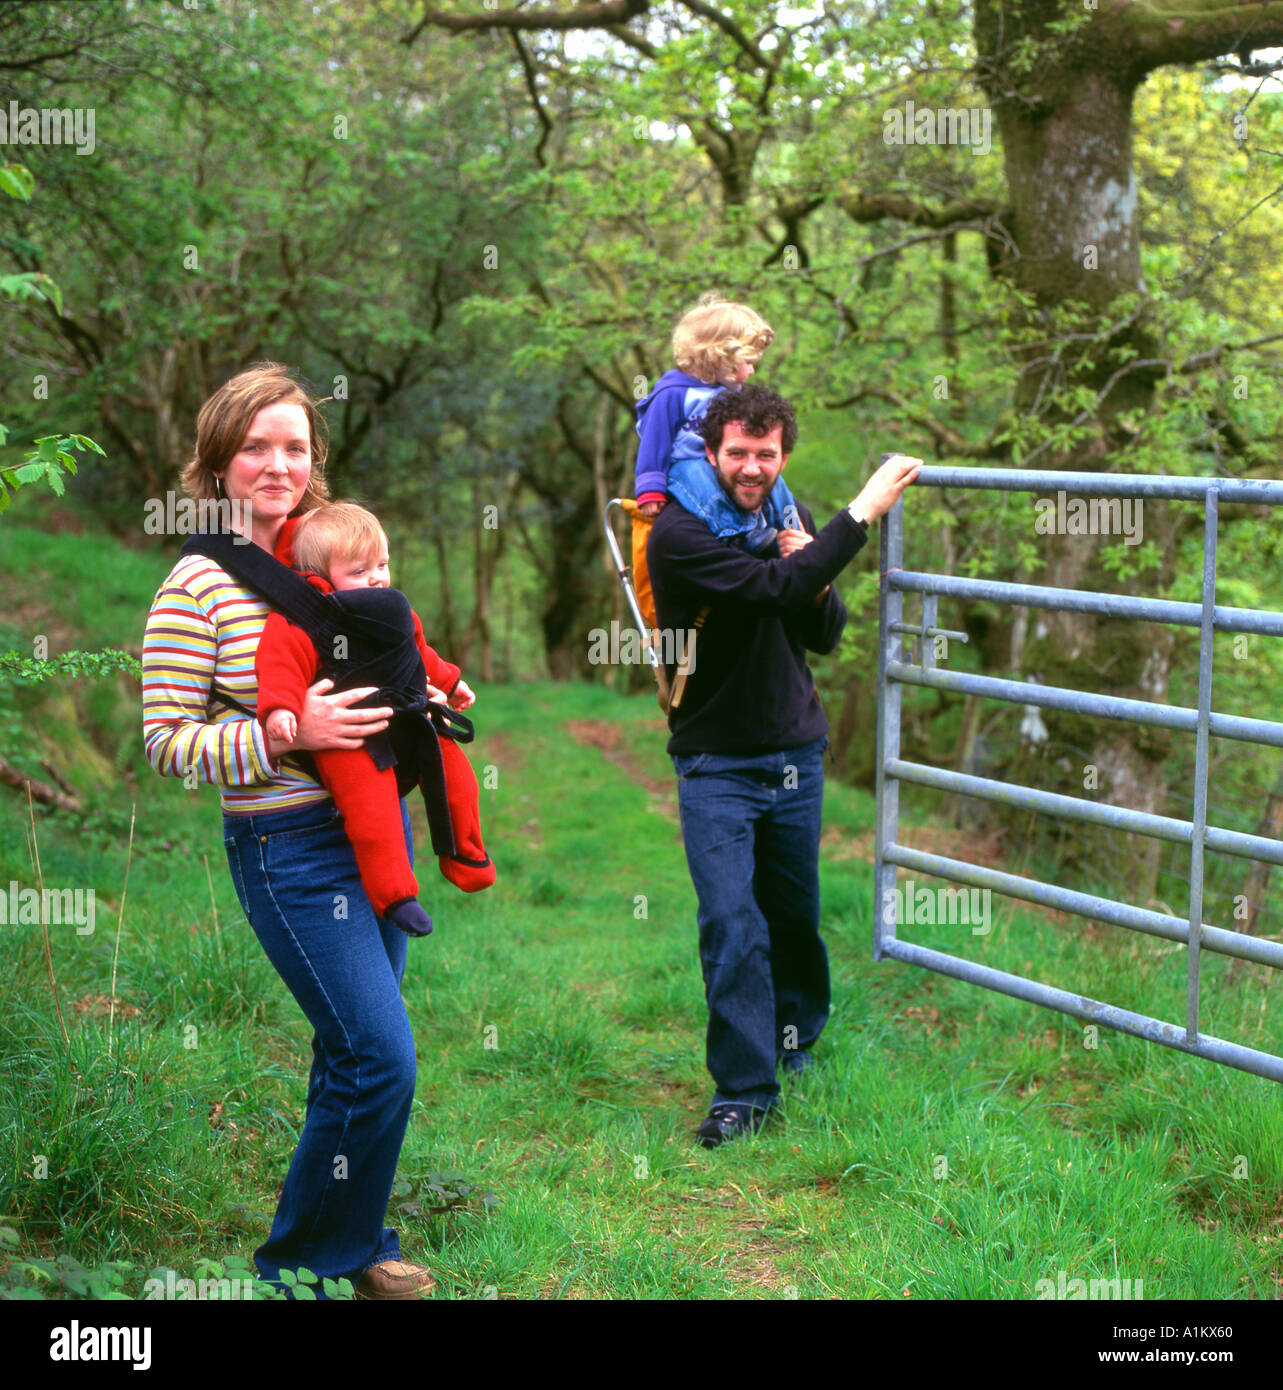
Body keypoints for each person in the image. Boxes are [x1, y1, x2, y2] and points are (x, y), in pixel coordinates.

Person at [141, 362, 436, 1298]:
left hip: (376, 830)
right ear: (219, 458)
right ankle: (301, 1266)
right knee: (380, 1056)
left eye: (295, 447)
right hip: (291, 852)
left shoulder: (334, 550)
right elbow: (166, 741)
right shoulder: (195, 583)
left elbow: (389, 658)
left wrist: (416, 696)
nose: (277, 463)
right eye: (256, 446)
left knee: (347, 1052)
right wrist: (285, 734)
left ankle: (353, 1243)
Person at [646, 383, 921, 1148]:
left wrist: (817, 567)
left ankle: (796, 1044)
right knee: (732, 921)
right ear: (711, 452)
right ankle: (742, 1089)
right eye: (737, 452)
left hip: (795, 749)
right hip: (714, 760)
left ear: (781, 456)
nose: (751, 467)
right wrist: (859, 513)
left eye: (765, 455)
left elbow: (822, 629)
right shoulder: (676, 534)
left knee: (793, 919)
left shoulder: (785, 516)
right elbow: (770, 588)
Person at [257, 500, 494, 941]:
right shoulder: (304, 618)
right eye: (361, 570)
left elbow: (417, 649)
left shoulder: (390, 608)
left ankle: (465, 852)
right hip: (347, 734)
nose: (378, 578)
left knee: (455, 772)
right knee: (372, 808)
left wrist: (450, 681)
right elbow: (279, 663)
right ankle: (395, 894)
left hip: (407, 713)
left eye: (382, 564)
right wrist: (281, 710)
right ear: (323, 577)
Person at [634, 293, 801, 554]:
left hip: (724, 462)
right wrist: (649, 488)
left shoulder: (732, 392)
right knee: (700, 479)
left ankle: (792, 532)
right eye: (748, 363)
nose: (752, 371)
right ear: (720, 358)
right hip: (685, 464)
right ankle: (739, 534)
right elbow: (655, 441)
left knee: (777, 481)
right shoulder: (674, 393)